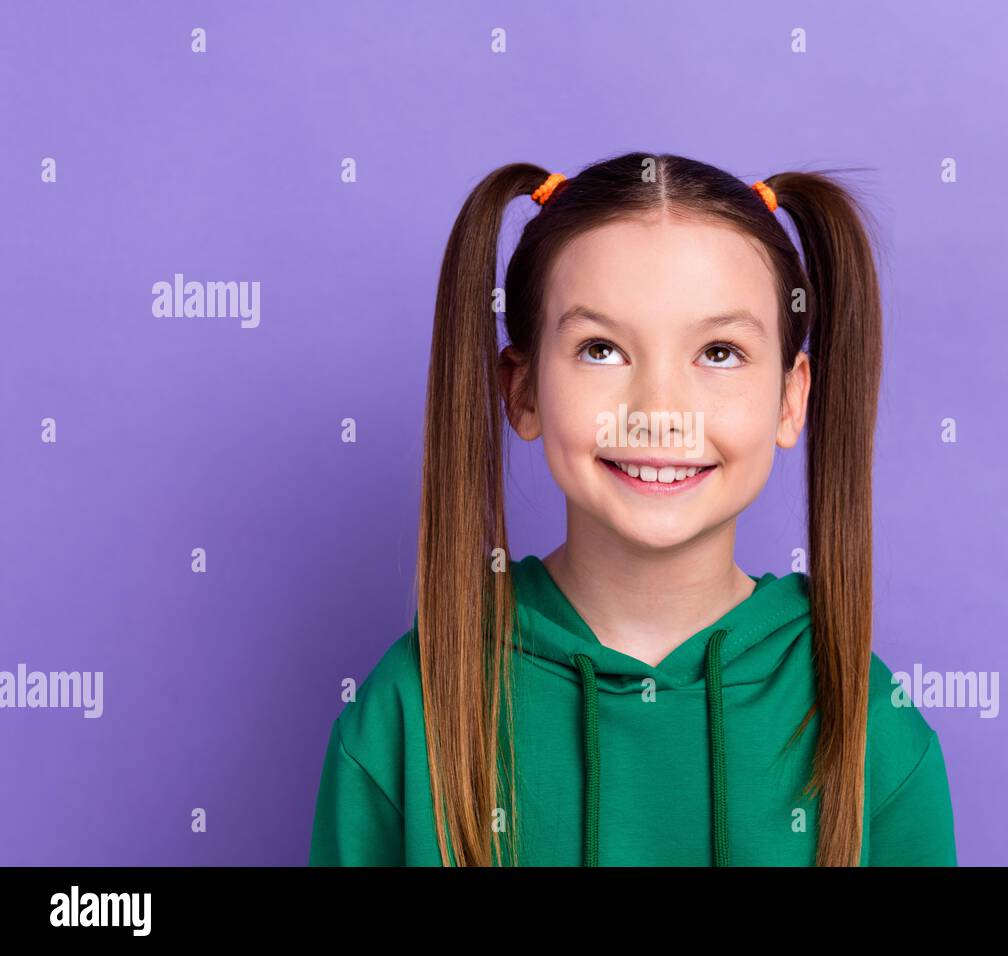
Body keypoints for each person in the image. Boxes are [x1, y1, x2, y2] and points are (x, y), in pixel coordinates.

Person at [309, 152, 957, 866]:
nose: (659, 413)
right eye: (601, 349)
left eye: (718, 352)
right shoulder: (408, 708)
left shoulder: (868, 719)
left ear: (790, 396)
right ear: (521, 391)